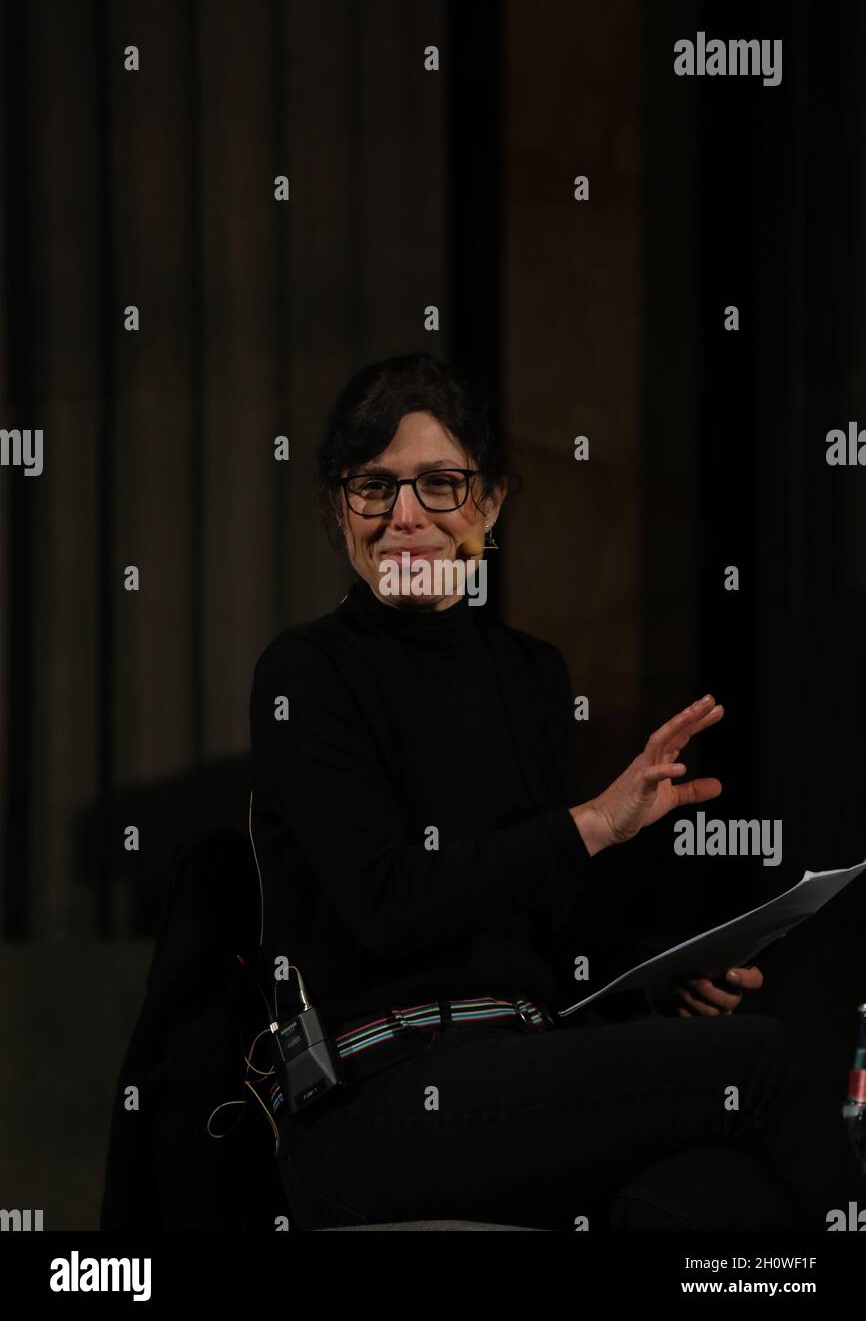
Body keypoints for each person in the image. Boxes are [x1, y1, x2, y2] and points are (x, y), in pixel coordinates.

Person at [248, 353, 860, 1231]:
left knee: (709, 1195)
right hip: (376, 1095)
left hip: (527, 1068)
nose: (405, 518)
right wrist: (594, 824)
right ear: (336, 509)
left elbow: (553, 932)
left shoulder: (530, 676)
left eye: (440, 484)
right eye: (372, 488)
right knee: (760, 1070)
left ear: (491, 502)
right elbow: (386, 903)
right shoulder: (306, 672)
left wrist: (664, 979)